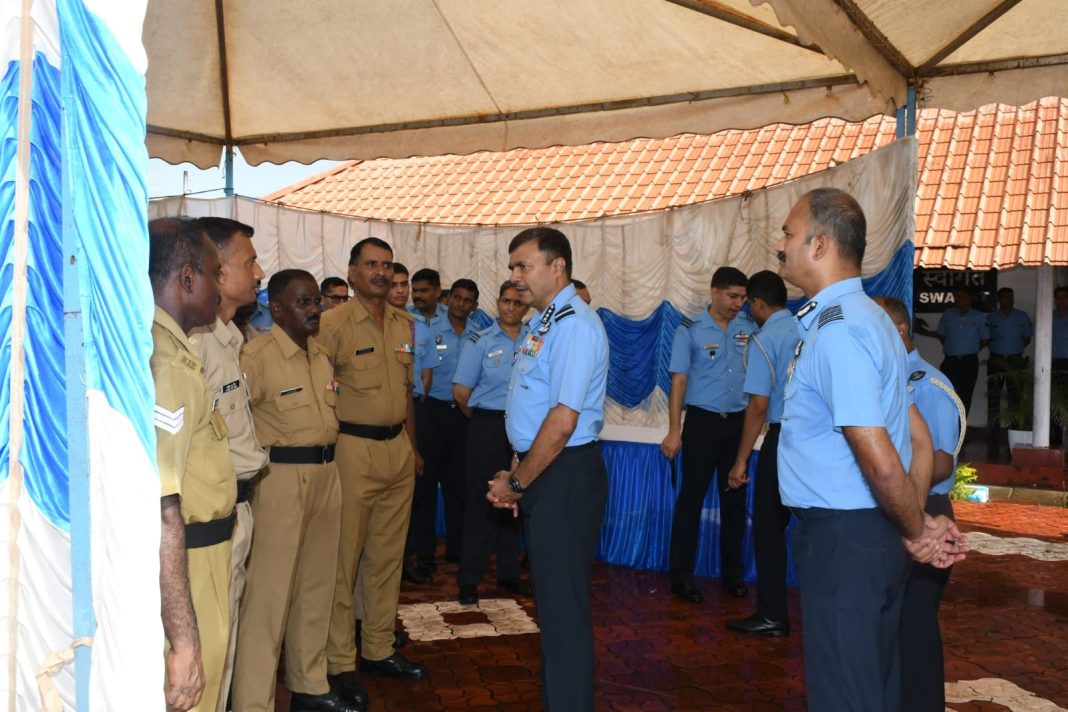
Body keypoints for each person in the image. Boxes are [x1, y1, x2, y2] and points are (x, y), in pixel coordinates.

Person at [775, 187, 966, 711]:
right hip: (870, 531)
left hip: (845, 538)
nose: (781, 245)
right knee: (874, 684)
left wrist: (915, 529)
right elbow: (919, 437)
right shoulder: (874, 321)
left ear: (819, 246)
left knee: (846, 694)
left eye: (789, 234)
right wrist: (919, 520)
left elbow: (878, 453)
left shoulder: (837, 333)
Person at [487, 227, 609, 711]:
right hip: (546, 474)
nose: (514, 277)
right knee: (554, 613)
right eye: (512, 267)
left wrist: (517, 485)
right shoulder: (544, 323)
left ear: (557, 266)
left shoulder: (575, 325)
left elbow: (561, 423)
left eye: (524, 266)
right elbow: (532, 411)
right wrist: (516, 473)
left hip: (566, 475)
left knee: (564, 614)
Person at [232, 270, 354, 712]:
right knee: (269, 598)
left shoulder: (320, 355)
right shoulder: (257, 356)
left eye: (316, 301)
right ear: (277, 308)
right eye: (303, 302)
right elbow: (234, 423)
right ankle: (253, 702)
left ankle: (310, 685)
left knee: (316, 588)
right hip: (280, 480)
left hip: (326, 475)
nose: (314, 309)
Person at [318, 238, 427, 710]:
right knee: (343, 562)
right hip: (352, 449)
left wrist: (412, 446)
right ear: (352, 271)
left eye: (386, 265)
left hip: (396, 450)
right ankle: (340, 662)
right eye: (371, 265)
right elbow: (322, 394)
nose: (380, 273)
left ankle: (379, 648)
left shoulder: (406, 324)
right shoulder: (332, 324)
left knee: (387, 559)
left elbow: (406, 392)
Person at [148, 217, 236, 712]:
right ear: (186, 278)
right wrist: (182, 640)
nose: (219, 285)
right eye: (213, 272)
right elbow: (162, 506)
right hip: (190, 563)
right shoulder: (169, 367)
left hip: (204, 553)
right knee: (193, 693)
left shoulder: (178, 352)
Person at [187, 217, 268, 712]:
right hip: (206, 526)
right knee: (202, 664)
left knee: (225, 651)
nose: (260, 272)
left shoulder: (230, 338)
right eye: (249, 261)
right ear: (216, 273)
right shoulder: (196, 346)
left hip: (234, 513)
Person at [875, 295, 967, 712]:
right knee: (897, 626)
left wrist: (894, 486)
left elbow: (943, 457)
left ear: (898, 331)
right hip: (905, 507)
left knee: (915, 626)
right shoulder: (890, 380)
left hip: (928, 510)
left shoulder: (926, 385)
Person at [661, 266, 752, 602]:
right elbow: (678, 383)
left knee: (735, 503)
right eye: (732, 296)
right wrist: (674, 431)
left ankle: (732, 574)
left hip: (737, 425)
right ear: (714, 293)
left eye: (743, 297)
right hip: (702, 423)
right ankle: (681, 576)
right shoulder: (690, 330)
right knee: (691, 501)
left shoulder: (748, 328)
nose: (738, 303)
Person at [724, 270, 798, 637]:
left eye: (748, 303)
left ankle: (772, 614)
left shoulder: (765, 339)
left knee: (769, 528)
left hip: (782, 437)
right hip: (813, 439)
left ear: (757, 303)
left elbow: (757, 405)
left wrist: (740, 461)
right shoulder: (806, 329)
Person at [453, 281, 533, 605]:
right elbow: (461, 392)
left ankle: (509, 574)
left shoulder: (535, 341)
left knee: (517, 499)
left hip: (525, 430)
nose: (511, 308)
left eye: (517, 302)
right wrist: (486, 422)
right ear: (497, 302)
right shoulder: (480, 341)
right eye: (505, 301)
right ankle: (469, 580)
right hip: (487, 426)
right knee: (480, 503)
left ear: (526, 307)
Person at [405, 279, 480, 576]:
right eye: (457, 298)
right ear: (448, 300)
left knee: (459, 486)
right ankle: (424, 554)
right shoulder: (428, 330)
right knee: (425, 486)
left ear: (474, 306)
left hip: (463, 417)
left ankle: (457, 550)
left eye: (467, 300)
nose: (461, 304)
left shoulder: (479, 336)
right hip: (432, 413)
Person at [986, 287, 1033, 454]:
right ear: (999, 299)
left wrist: (1014, 350)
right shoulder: (991, 318)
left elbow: (1027, 338)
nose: (1008, 299)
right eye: (1005, 297)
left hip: (1015, 360)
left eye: (1010, 297)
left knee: (1015, 396)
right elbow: (986, 337)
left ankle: (1015, 428)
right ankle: (993, 431)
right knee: (994, 396)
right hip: (996, 359)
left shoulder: (1022, 316)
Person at [927, 288, 989, 414]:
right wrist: (952, 347)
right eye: (956, 296)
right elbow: (942, 335)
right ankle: (949, 428)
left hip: (969, 361)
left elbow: (985, 339)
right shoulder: (948, 314)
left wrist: (970, 349)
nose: (957, 299)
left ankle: (961, 429)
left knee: (965, 396)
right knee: (946, 394)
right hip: (950, 361)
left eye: (960, 296)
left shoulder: (979, 317)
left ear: (969, 298)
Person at [1052, 286, 1068, 444]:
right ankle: (1056, 435)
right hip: (1055, 363)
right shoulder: (1050, 317)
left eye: (1064, 297)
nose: (1061, 300)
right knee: (1055, 400)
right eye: (1058, 297)